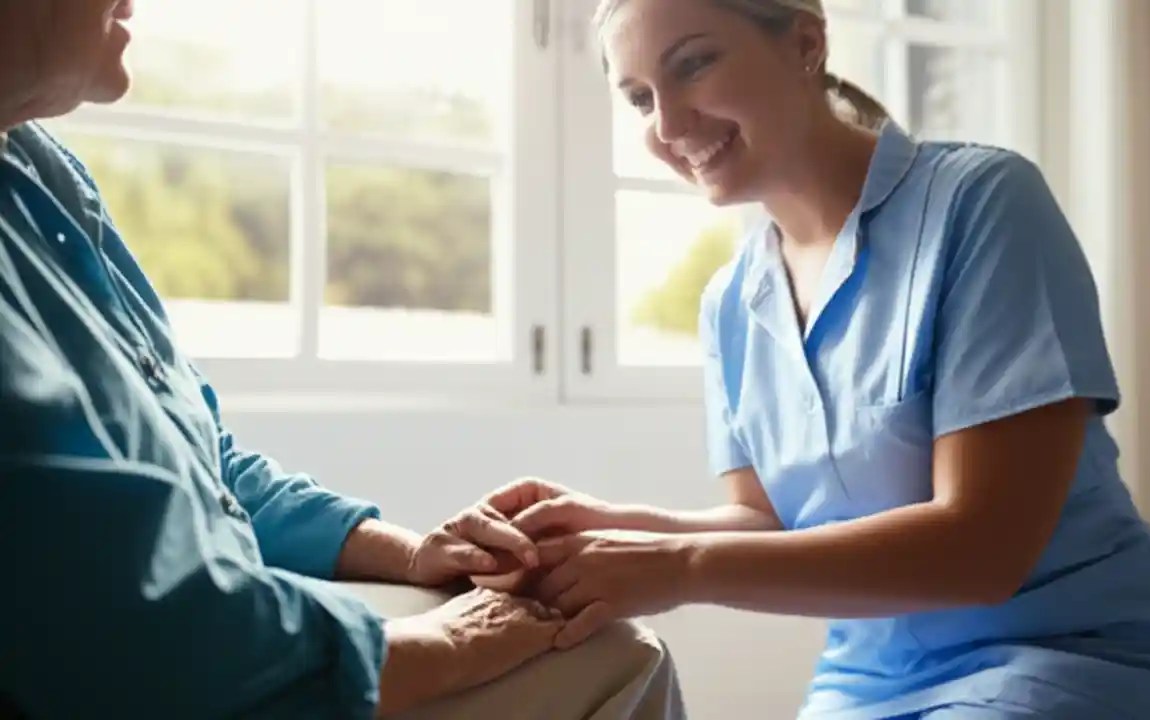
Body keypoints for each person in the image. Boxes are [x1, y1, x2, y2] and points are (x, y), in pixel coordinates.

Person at [489, 0, 1150, 717]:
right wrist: (616, 528)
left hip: (1068, 657)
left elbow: (986, 548)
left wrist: (677, 565)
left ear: (807, 45)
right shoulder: (730, 303)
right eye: (639, 97)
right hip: (869, 680)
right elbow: (772, 523)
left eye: (693, 65)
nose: (668, 122)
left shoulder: (981, 203)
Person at [0, 2, 683, 718]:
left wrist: (412, 555)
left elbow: (205, 470)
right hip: (166, 670)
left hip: (198, 637)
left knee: (612, 645)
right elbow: (143, 638)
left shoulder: (42, 170)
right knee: (613, 658)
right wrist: (450, 643)